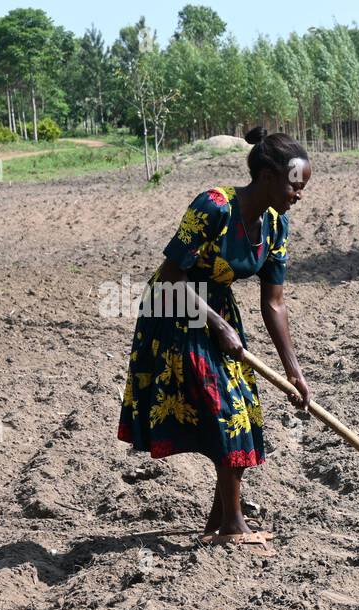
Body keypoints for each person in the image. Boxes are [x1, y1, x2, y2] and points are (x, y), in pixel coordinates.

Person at [117, 127, 313, 547]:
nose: (298, 195)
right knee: (224, 408)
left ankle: (221, 515)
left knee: (244, 410)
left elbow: (274, 303)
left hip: (219, 310)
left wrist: (294, 373)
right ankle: (232, 525)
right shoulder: (214, 206)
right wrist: (217, 325)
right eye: (294, 185)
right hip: (176, 308)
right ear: (266, 177)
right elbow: (172, 274)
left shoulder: (277, 226)